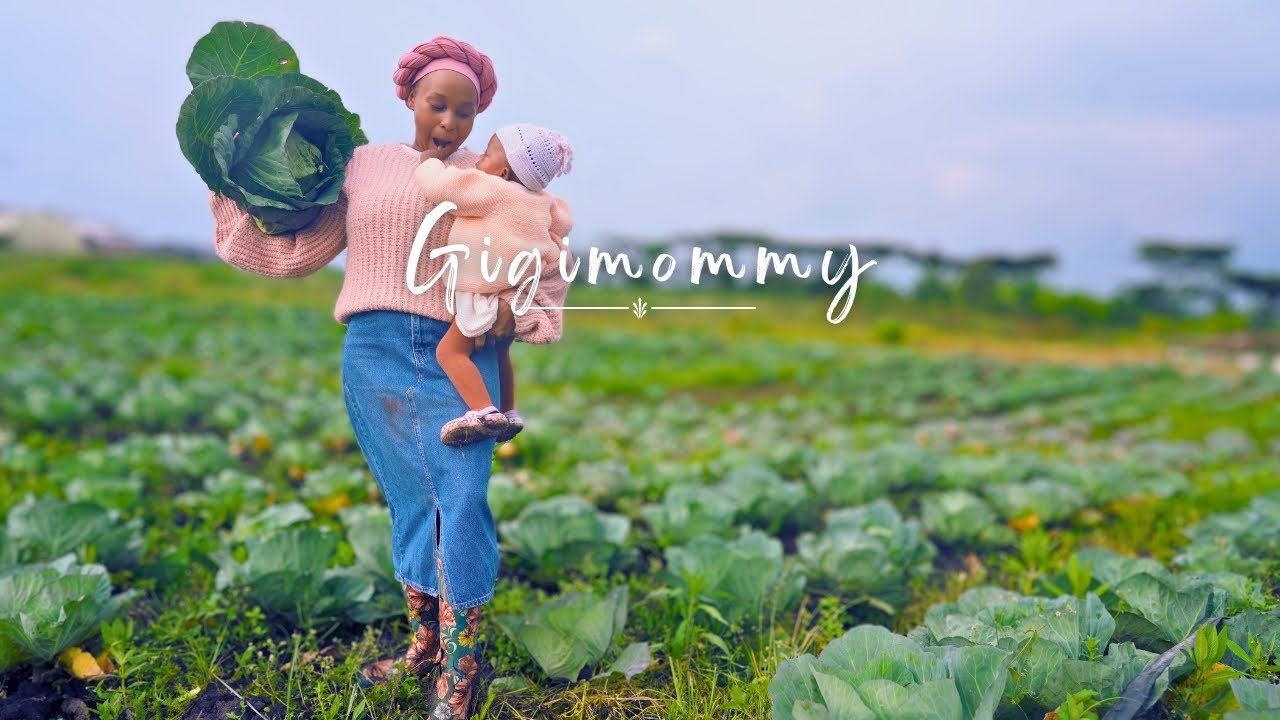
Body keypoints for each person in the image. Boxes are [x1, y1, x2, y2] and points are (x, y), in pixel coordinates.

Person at [207, 36, 569, 719]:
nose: (449, 122)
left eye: (464, 112)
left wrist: (514, 315)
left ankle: (462, 668)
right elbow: (301, 251)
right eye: (437, 104)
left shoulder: (494, 177)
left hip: (457, 353)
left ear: (480, 117)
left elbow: (540, 253)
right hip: (373, 349)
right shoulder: (362, 164)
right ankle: (424, 646)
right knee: (410, 502)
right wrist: (231, 188)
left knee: (461, 498)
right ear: (409, 99)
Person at [414, 123, 574, 447]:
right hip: (511, 296)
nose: (478, 160)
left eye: (487, 155)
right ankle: (510, 411)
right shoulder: (545, 204)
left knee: (450, 352)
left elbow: (443, 188)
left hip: (483, 292)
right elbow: (562, 225)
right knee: (501, 354)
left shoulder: (494, 191)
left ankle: (483, 411)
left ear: (503, 173)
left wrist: (428, 163)